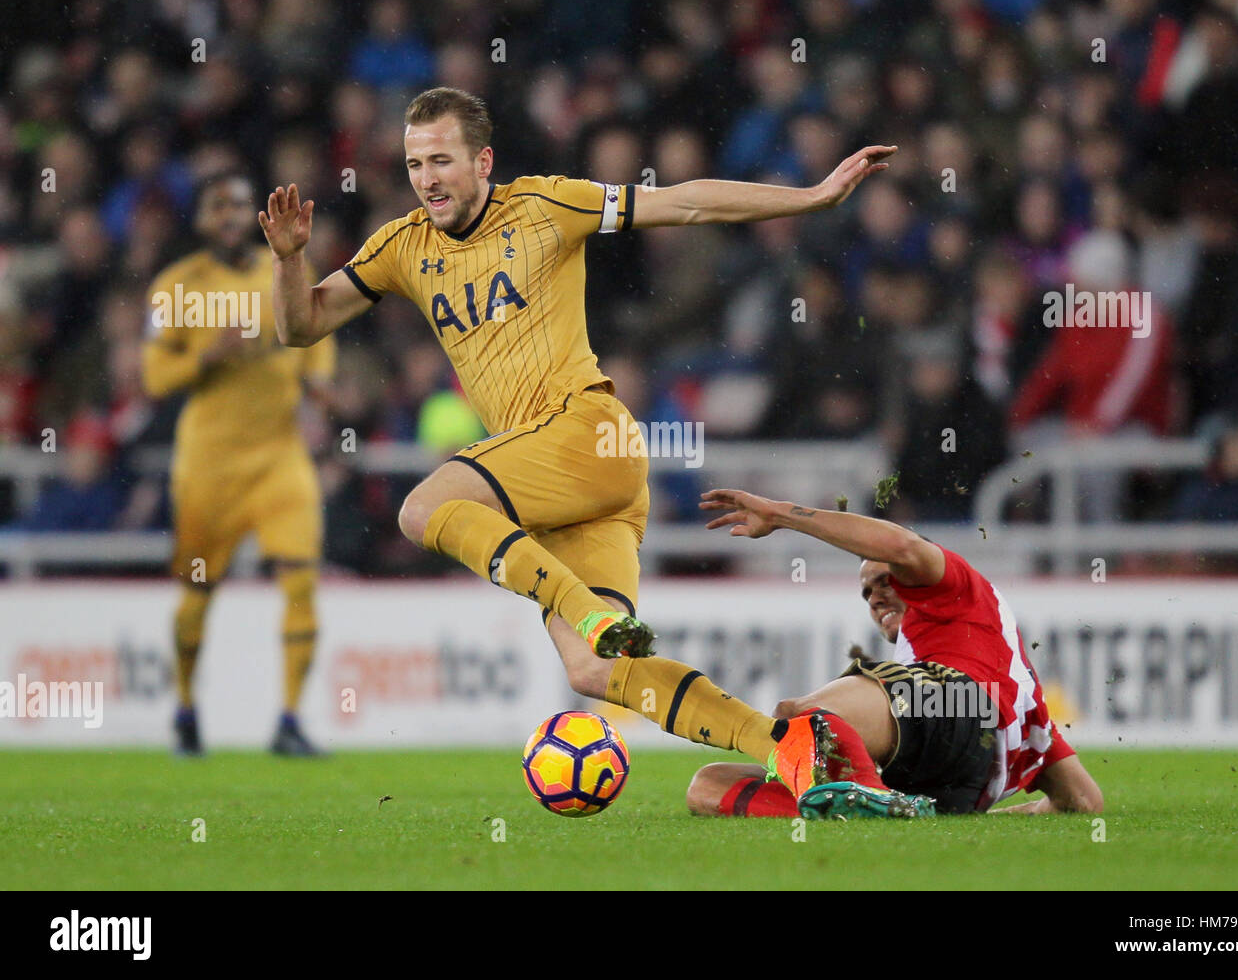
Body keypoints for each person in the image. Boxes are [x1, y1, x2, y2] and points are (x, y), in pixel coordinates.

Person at [257, 85, 900, 795]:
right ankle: (789, 748)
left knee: (420, 510)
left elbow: (683, 202)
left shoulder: (545, 205)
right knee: (595, 671)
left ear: (483, 161)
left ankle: (589, 612)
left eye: (441, 160)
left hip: (584, 433)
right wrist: (289, 259)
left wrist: (810, 197)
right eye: (415, 164)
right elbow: (299, 327)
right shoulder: (403, 246)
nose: (427, 179)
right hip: (566, 487)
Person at [687, 488, 1103, 817]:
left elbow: (902, 546)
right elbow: (1082, 799)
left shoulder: (955, 586)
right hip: (948, 792)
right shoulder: (1021, 697)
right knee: (708, 785)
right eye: (866, 591)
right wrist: (1001, 819)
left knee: (801, 718)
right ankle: (873, 805)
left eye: (885, 579)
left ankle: (869, 793)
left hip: (959, 705)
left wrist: (781, 515)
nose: (875, 596)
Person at [143, 171, 336, 757]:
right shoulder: (178, 286)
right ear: (199, 219)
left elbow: (316, 345)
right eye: (216, 205)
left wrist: (322, 391)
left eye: (239, 204)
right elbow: (153, 379)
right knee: (200, 591)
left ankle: (290, 721)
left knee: (301, 579)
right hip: (209, 464)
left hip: (280, 456)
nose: (229, 215)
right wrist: (209, 356)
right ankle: (184, 708)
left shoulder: (283, 269)